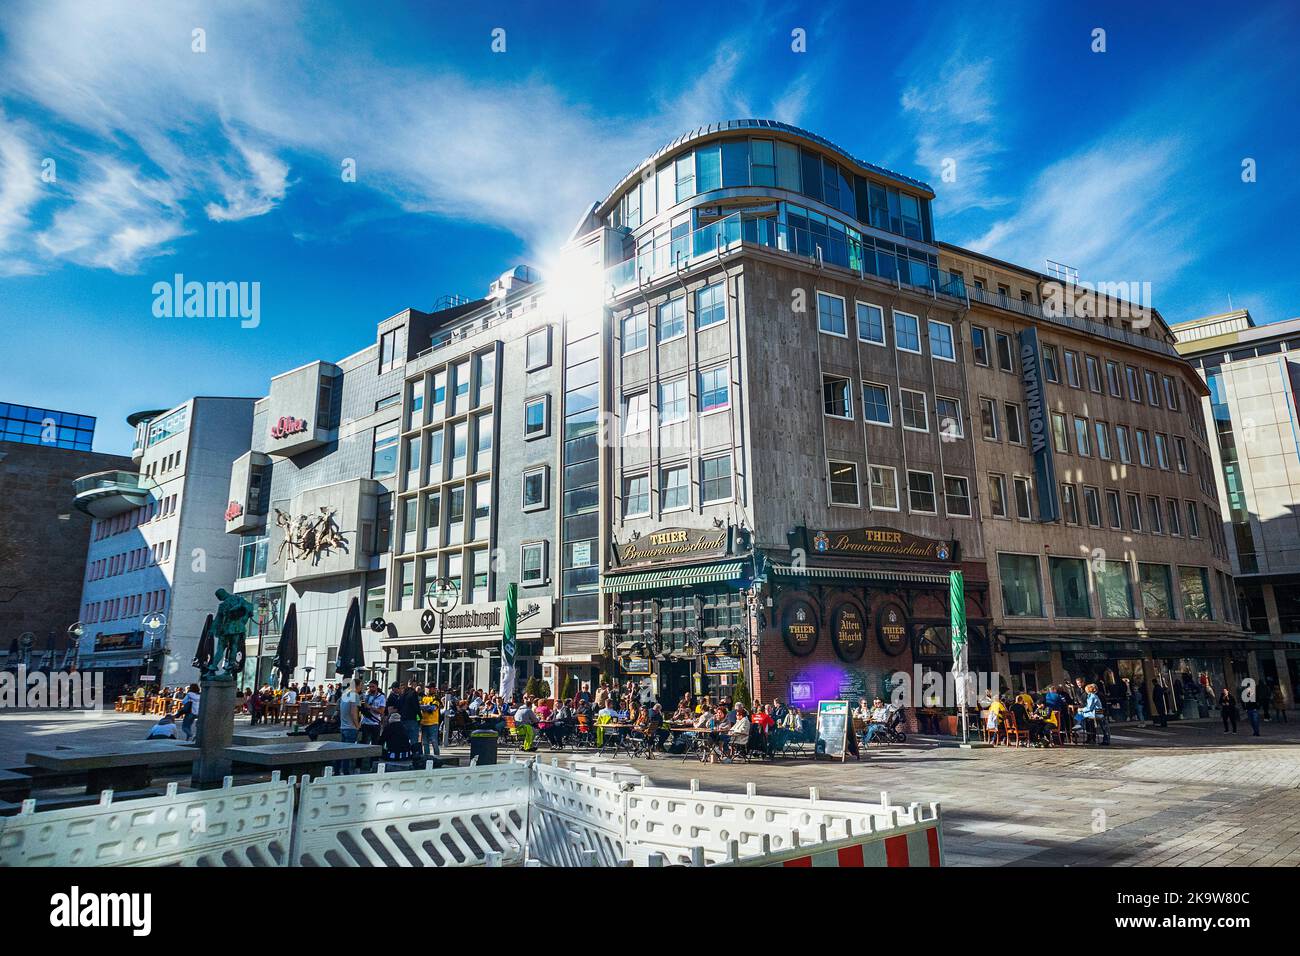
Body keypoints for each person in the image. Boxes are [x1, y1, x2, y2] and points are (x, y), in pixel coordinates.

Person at [336, 679, 362, 774]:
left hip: (343, 726)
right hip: (351, 727)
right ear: (357, 686)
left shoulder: (344, 695)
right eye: (360, 685)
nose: (361, 688)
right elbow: (353, 712)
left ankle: (337, 770)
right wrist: (357, 725)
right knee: (348, 752)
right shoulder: (354, 695)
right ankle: (346, 772)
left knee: (341, 751)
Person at [418, 685, 441, 757]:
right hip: (424, 722)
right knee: (425, 742)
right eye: (426, 688)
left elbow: (433, 708)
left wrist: (423, 707)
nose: (427, 689)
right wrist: (426, 707)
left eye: (429, 688)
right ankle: (426, 757)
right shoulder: (423, 697)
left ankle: (437, 757)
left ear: (433, 689)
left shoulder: (436, 697)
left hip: (433, 723)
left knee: (434, 741)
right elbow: (418, 706)